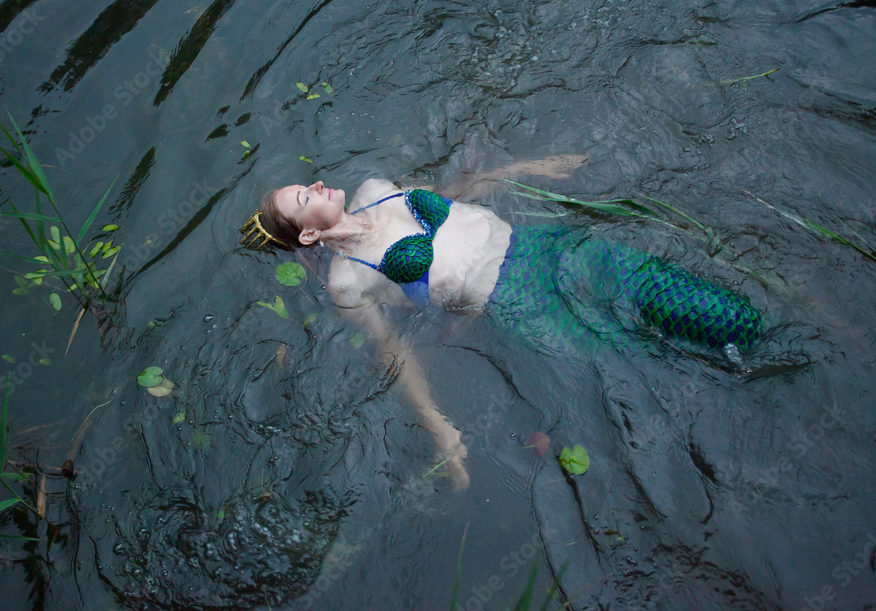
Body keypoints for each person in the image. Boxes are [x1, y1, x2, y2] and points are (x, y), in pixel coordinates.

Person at [240, 158, 762, 489]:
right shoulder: (348, 283)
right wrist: (440, 427)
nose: (317, 184)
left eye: (305, 185)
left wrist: (527, 169)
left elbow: (456, 192)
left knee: (726, 318)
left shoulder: (376, 186)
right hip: (523, 310)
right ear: (307, 237)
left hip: (553, 251)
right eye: (303, 198)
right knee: (643, 364)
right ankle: (745, 435)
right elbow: (393, 352)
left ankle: (759, 342)